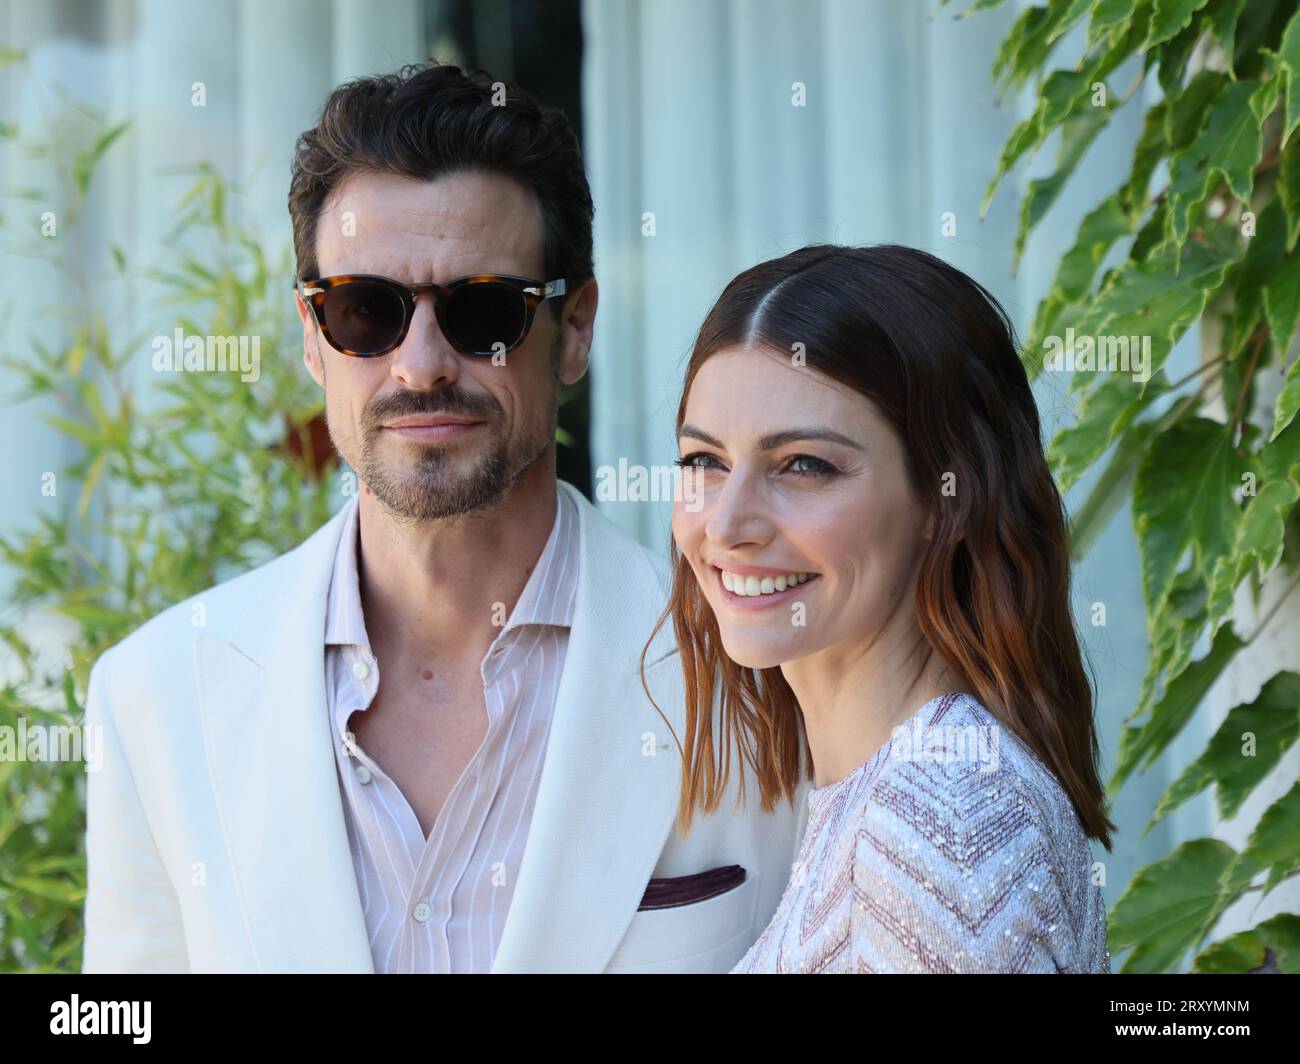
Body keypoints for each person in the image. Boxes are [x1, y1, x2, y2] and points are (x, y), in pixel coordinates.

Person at [81, 62, 801, 974]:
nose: (421, 364)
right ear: (312, 337)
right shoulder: (155, 697)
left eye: (485, 310)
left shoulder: (753, 671)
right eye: (364, 310)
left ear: (573, 327)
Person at [650, 243, 1114, 973]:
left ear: (944, 501)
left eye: (804, 465)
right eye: (704, 461)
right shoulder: (891, 786)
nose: (727, 523)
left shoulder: (943, 815)